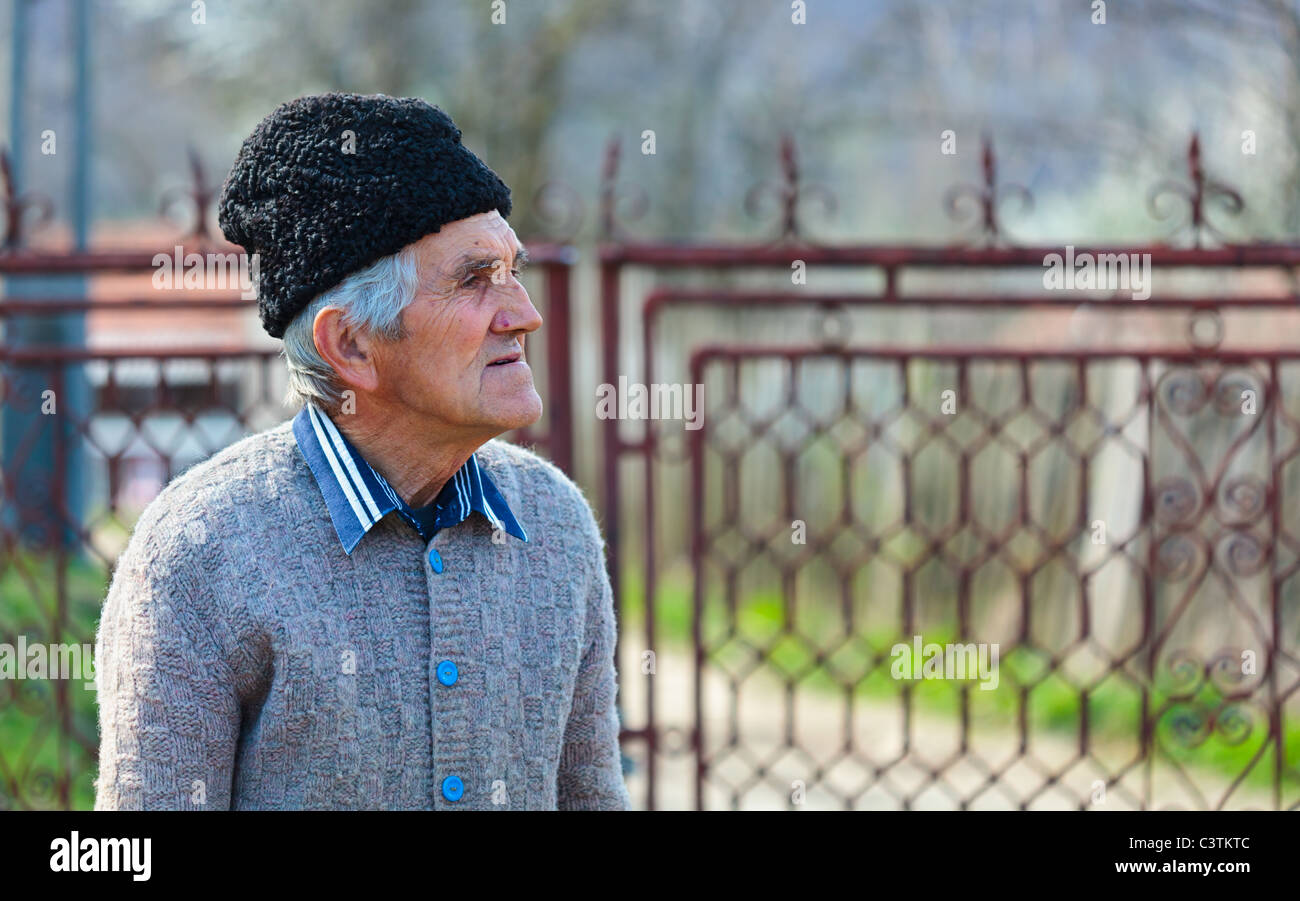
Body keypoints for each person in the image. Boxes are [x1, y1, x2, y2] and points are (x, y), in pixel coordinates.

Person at [93, 92, 631, 810]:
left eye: (514, 269)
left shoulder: (556, 527)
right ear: (350, 343)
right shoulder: (199, 554)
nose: (524, 314)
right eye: (475, 279)